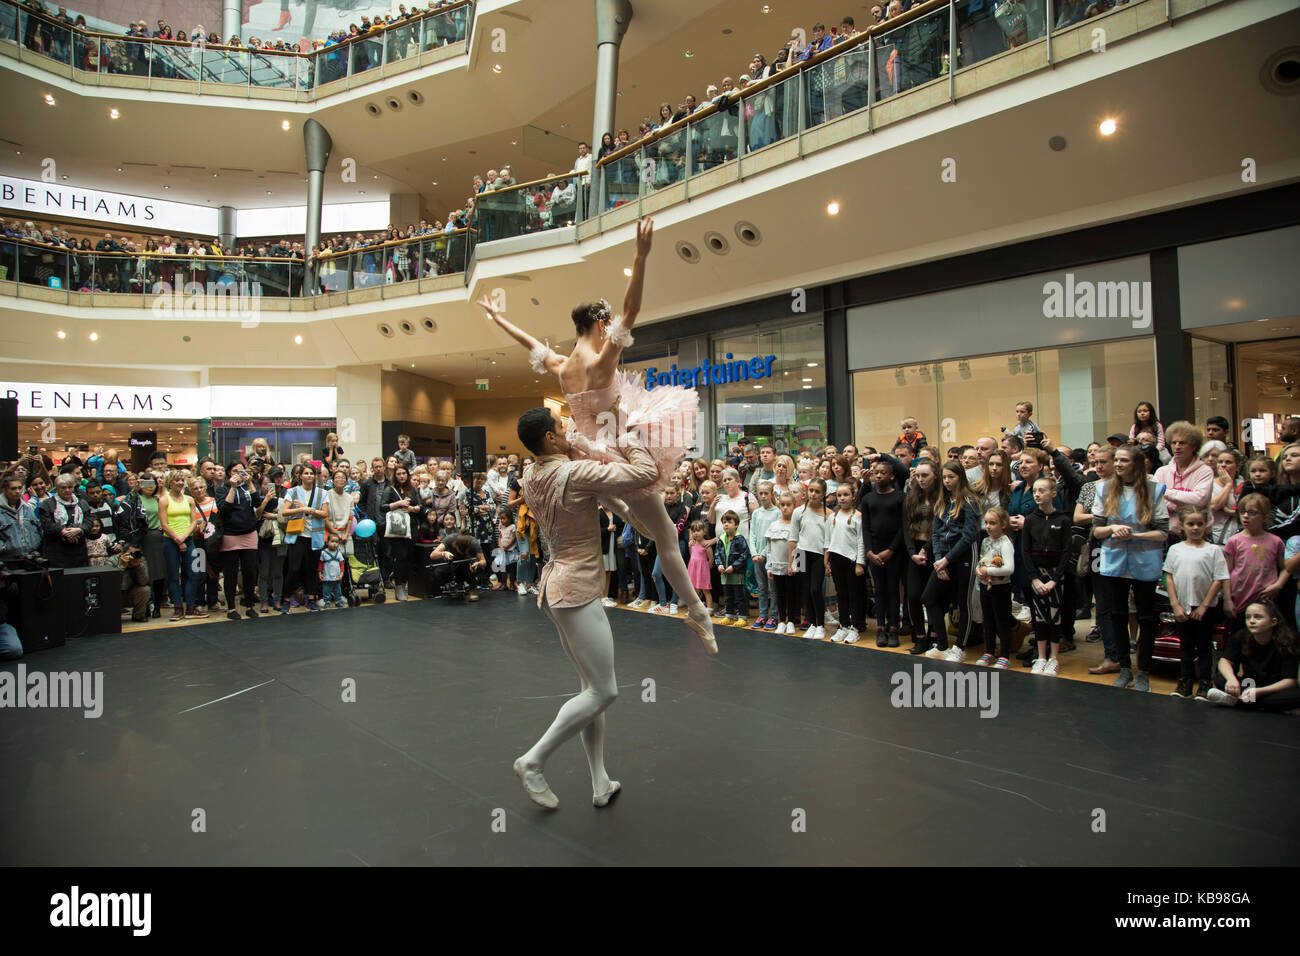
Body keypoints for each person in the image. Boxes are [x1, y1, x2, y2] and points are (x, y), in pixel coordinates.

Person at [482, 217, 714, 651]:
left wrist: (499, 319)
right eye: (608, 325)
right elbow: (632, 312)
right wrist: (640, 257)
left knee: (627, 510)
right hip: (617, 450)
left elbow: (530, 344)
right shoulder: (601, 362)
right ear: (601, 326)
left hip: (581, 454)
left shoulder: (564, 366)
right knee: (665, 535)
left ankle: (623, 512)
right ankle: (696, 611)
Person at [511, 407, 672, 812]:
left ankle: (600, 781)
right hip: (575, 590)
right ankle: (533, 760)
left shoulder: (530, 475)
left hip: (555, 588)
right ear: (549, 439)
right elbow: (642, 475)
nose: (567, 428)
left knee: (591, 691)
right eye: (560, 426)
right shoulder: (573, 474)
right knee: (604, 691)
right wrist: (629, 438)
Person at [1091, 445, 1168, 691]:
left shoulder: (1154, 490)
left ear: (1136, 463)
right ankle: (1125, 668)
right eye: (1117, 460)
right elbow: (1097, 530)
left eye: (1124, 460)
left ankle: (1143, 670)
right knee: (1117, 615)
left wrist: (1136, 535)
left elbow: (1163, 533)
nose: (1118, 464)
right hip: (1115, 563)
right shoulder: (1103, 489)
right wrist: (1113, 529)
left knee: (1146, 618)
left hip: (1145, 564)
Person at [1163, 508, 1229, 700]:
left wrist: (1204, 606)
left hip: (1204, 608)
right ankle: (1185, 681)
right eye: (1191, 524)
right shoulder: (1175, 549)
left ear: (1206, 525)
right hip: (1183, 607)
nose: (1195, 528)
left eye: (1200, 523)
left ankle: (1205, 684)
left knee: (1204, 646)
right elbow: (1169, 577)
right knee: (1185, 646)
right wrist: (1175, 605)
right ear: (1183, 526)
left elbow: (1219, 579)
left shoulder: (1214, 550)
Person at [922, 462, 980, 660]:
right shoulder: (942, 501)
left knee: (963, 602)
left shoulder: (969, 501)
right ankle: (942, 644)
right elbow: (936, 534)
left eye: (951, 477)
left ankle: (960, 647)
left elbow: (969, 535)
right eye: (945, 477)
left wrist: (947, 559)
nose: (947, 481)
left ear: (960, 478)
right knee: (928, 597)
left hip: (963, 556)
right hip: (944, 558)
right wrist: (939, 560)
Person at [1206, 601, 1300, 712]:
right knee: (1220, 679)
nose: (1251, 621)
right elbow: (1224, 661)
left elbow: (1290, 681)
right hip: (1249, 684)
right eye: (1248, 617)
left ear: (1273, 622)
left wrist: (1259, 692)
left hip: (1273, 688)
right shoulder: (1241, 635)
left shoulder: (1287, 642)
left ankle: (1238, 702)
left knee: (1296, 696)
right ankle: (1255, 703)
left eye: (1258, 617)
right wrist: (1231, 680)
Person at [1022, 475, 1073, 676]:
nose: (1037, 494)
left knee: (1054, 617)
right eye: (1035, 491)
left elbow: (1067, 552)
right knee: (1040, 617)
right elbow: (1025, 550)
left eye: (1042, 491)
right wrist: (1034, 578)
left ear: (1053, 493)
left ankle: (1054, 658)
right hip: (1037, 577)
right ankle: (1041, 657)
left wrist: (1055, 579)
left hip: (1055, 578)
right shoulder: (1031, 520)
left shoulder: (1063, 520)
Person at [825, 483, 866, 644]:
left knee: (854, 594)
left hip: (852, 560)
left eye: (846, 494)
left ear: (853, 496)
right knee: (841, 594)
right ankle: (844, 625)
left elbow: (861, 541)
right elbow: (828, 541)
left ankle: (855, 627)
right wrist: (827, 561)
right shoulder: (832, 517)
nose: (842, 498)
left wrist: (860, 563)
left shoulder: (857, 516)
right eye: (839, 495)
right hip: (836, 559)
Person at [975, 507, 1016, 669]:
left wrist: (988, 570)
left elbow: (1009, 568)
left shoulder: (1005, 543)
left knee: (1002, 621)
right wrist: (979, 570)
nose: (989, 526)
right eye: (986, 523)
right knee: (988, 620)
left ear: (1003, 524)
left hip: (1001, 587)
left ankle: (1004, 654)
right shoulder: (985, 541)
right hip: (986, 586)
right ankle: (989, 651)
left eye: (993, 523)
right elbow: (982, 560)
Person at [715, 511, 751, 625]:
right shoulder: (721, 539)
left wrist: (734, 567)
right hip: (725, 575)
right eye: (724, 522)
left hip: (737, 574)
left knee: (740, 596)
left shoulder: (739, 538)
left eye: (729, 522)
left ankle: (742, 617)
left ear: (736, 525)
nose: (726, 524)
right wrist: (719, 564)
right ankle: (729, 615)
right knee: (728, 596)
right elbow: (717, 554)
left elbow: (745, 555)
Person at [318, 533, 348, 609]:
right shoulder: (324, 553)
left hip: (336, 576)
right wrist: (320, 573)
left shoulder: (338, 553)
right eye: (332, 541)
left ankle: (338, 601)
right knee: (326, 590)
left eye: (336, 542)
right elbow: (320, 563)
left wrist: (341, 573)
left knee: (337, 590)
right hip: (327, 576)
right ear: (327, 542)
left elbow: (341, 564)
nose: (334, 544)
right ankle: (327, 601)